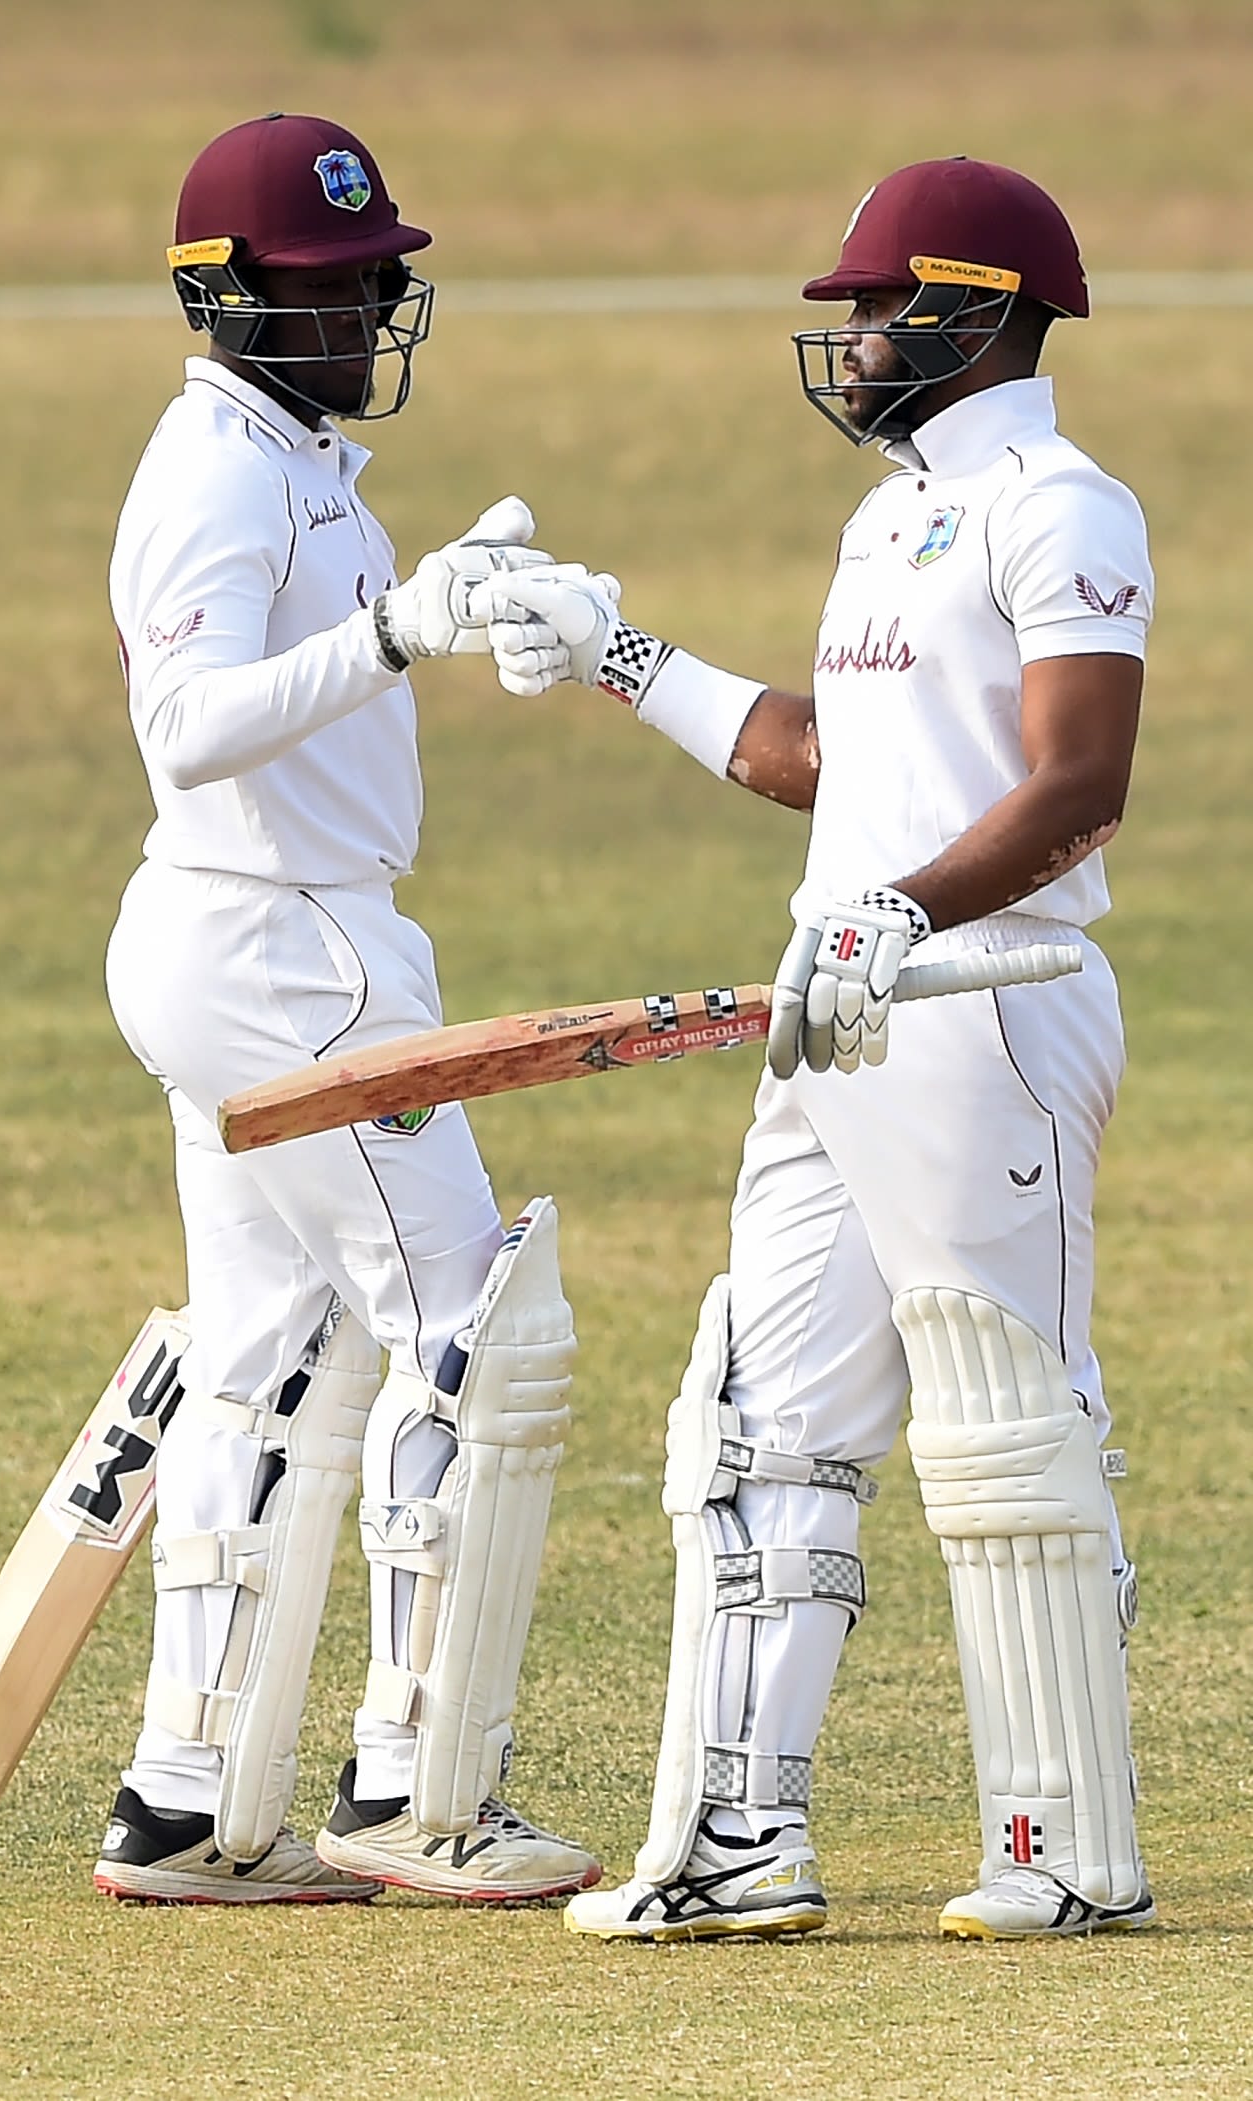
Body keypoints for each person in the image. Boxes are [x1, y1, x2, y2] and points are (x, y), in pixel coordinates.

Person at [479, 157, 1154, 1942]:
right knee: (758, 1420)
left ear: (982, 311)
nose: (848, 336)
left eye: (877, 305)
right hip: (834, 1000)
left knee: (1005, 1421)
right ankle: (736, 1837)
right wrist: (620, 652)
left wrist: (905, 918)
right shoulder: (892, 516)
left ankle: (1066, 1847)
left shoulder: (1057, 502)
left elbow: (1080, 786)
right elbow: (827, 765)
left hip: (978, 998)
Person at [93, 111, 600, 1906]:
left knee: (267, 1347)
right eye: (335, 282)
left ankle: (183, 1799)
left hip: (269, 938)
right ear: (232, 302)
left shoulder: (287, 454)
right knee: (467, 1315)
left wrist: (452, 596)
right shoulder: (217, 472)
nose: (376, 299)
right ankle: (417, 1786)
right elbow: (189, 728)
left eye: (379, 269)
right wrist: (401, 632)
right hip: (280, 949)